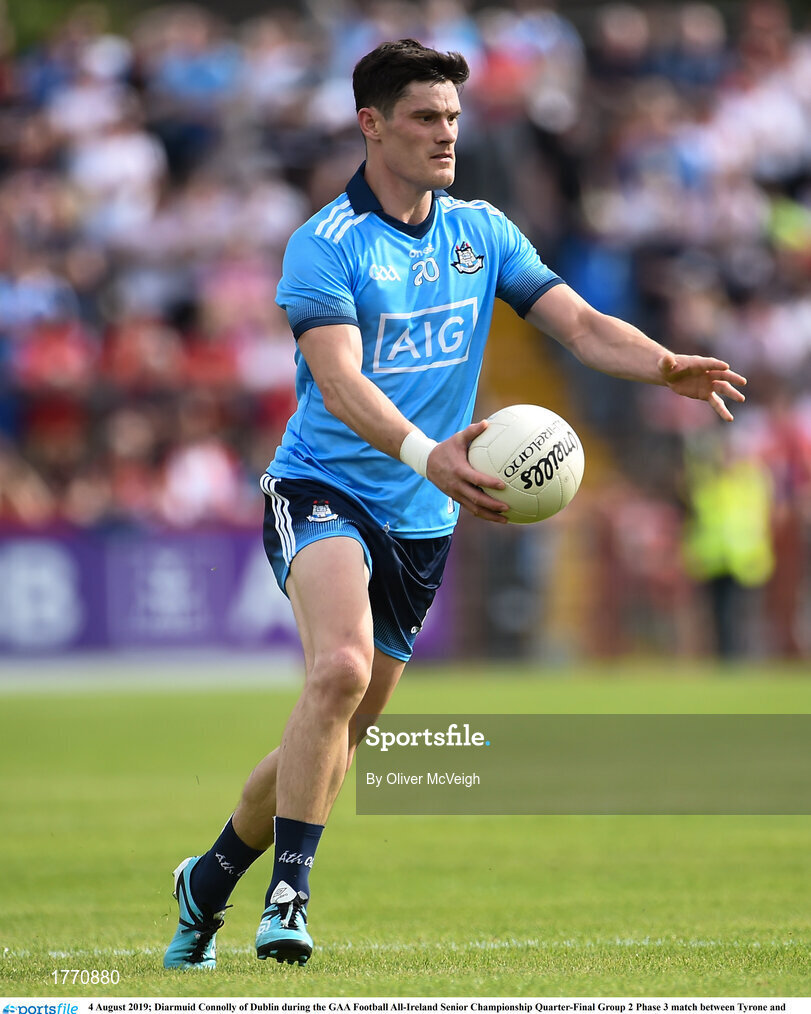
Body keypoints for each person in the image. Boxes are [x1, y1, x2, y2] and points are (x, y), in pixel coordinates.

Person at [163, 38, 747, 970]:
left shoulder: (481, 231)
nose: (446, 135)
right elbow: (338, 382)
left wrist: (662, 364)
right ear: (372, 125)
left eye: (452, 118)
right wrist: (423, 452)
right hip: (323, 486)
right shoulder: (325, 244)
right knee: (338, 671)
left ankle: (210, 877)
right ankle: (289, 897)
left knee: (341, 727)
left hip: (424, 515)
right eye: (425, 118)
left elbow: (578, 324)